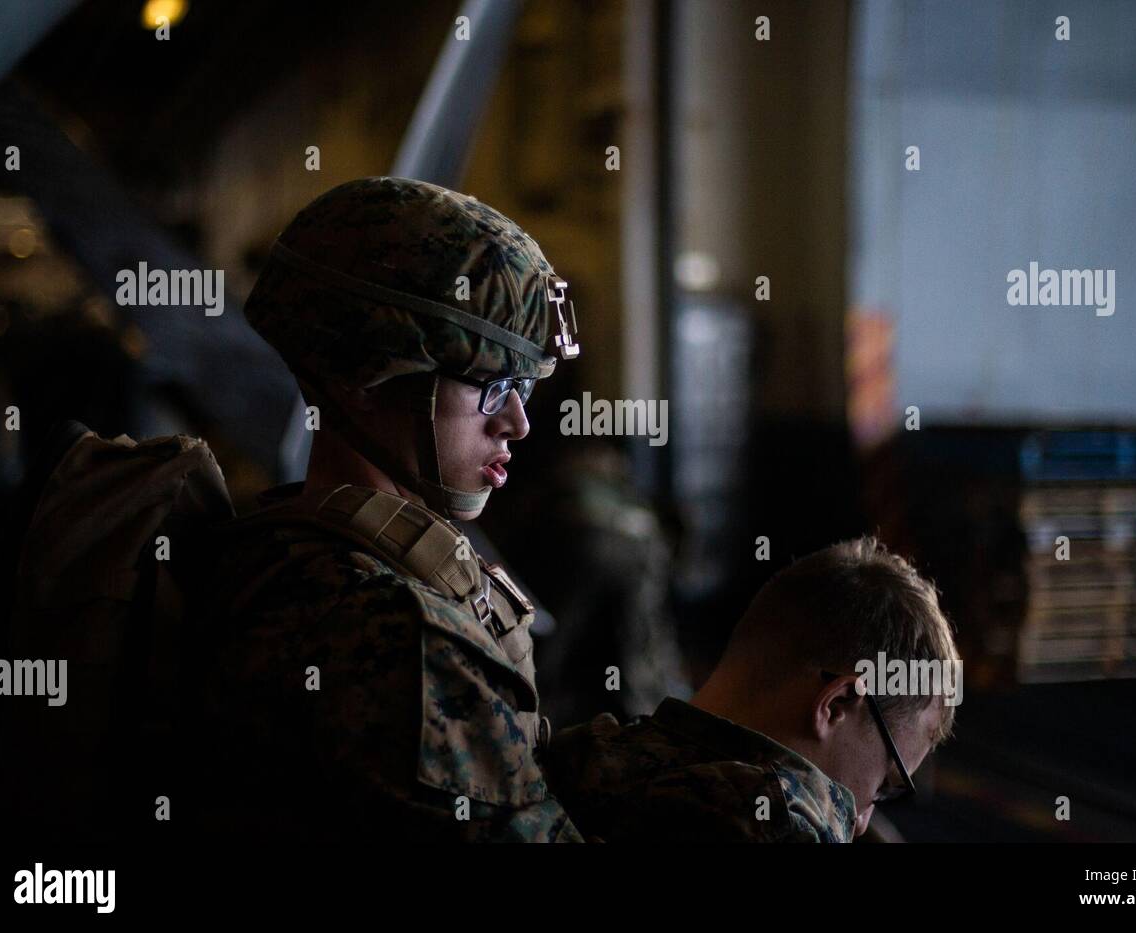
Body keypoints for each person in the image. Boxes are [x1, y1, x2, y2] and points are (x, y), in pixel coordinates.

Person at [191, 176, 583, 842]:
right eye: (491, 387)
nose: (516, 422)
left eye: (522, 388)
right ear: (366, 375)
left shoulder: (307, 549)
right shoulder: (390, 626)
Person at [543, 537, 960, 842]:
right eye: (883, 786)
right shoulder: (782, 825)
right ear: (837, 704)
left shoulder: (581, 755)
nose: (862, 821)